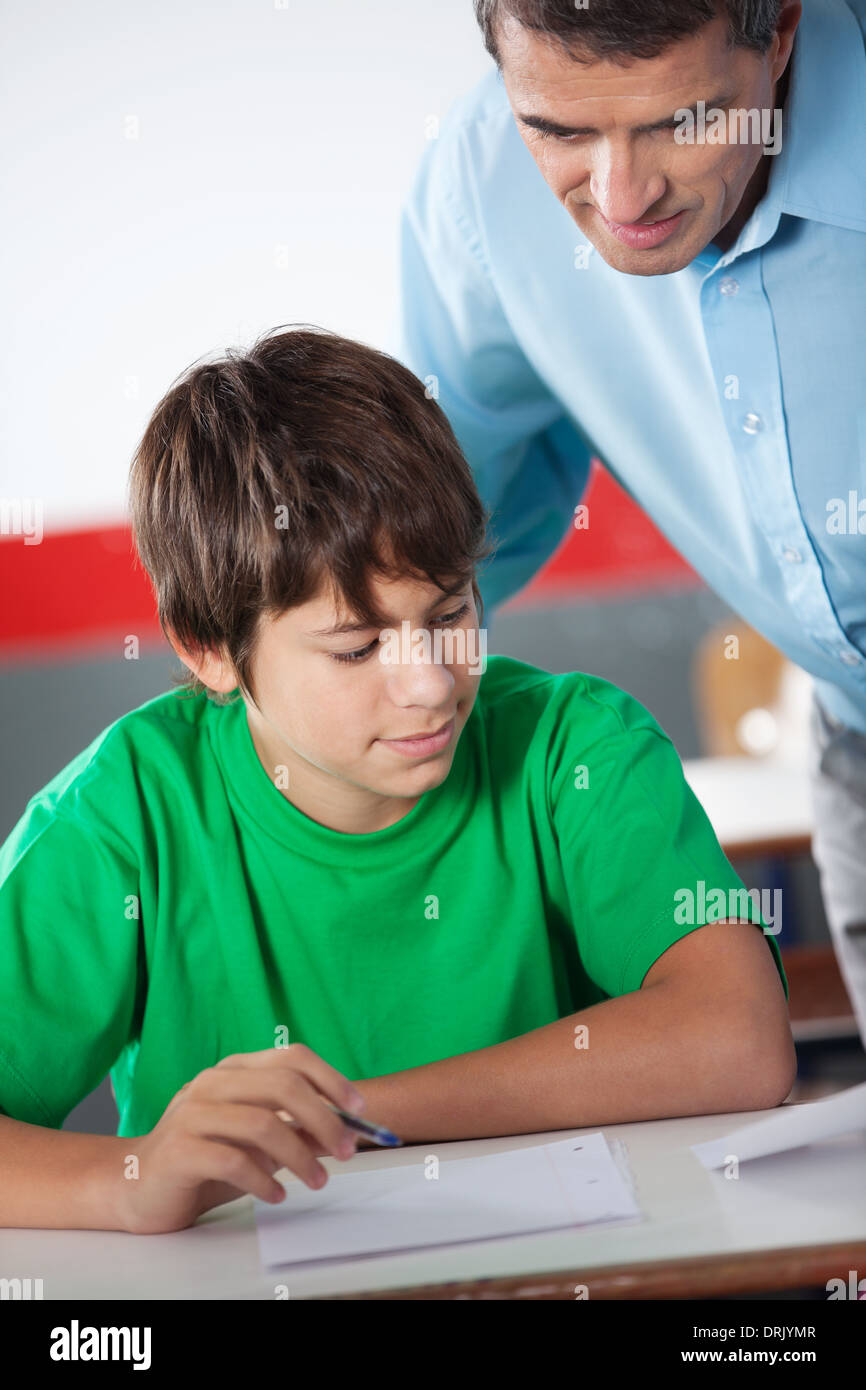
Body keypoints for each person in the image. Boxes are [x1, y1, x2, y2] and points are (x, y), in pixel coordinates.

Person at [0, 326, 792, 1234]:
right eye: (359, 646)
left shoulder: (579, 747)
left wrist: (346, 1114)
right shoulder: (122, 815)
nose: (431, 683)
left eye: (451, 612)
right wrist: (131, 1180)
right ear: (210, 650)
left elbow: (738, 1039)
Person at [397, 0, 866, 1043]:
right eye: (559, 132)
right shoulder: (479, 189)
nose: (621, 196)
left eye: (682, 120)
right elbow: (435, 535)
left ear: (777, 29)